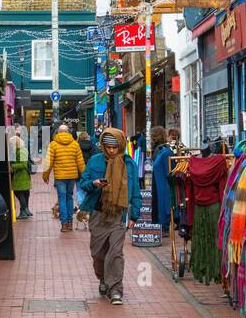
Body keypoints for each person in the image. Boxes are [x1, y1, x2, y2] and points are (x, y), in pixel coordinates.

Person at [79, 127, 142, 305]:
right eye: (108, 147)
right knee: (98, 254)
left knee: (115, 253)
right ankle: (103, 279)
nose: (112, 151)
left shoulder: (129, 164)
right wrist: (94, 183)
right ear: (103, 146)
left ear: (121, 145)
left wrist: (134, 215)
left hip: (118, 214)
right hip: (98, 213)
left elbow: (135, 191)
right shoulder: (95, 161)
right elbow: (83, 183)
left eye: (114, 148)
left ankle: (115, 289)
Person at [42, 124, 86, 233]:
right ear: (68, 132)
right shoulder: (75, 144)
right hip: (72, 176)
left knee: (62, 198)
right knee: (69, 197)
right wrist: (85, 175)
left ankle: (64, 224)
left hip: (60, 176)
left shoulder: (53, 145)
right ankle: (70, 222)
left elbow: (48, 162)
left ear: (58, 132)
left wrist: (45, 175)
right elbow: (80, 162)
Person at [150, 126, 174, 235]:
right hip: (160, 182)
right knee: (160, 203)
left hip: (162, 183)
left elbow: (170, 171)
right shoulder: (161, 150)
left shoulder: (163, 151)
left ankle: (164, 226)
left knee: (162, 203)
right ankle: (162, 226)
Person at [9, 130, 32, 219]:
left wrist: (12, 166)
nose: (11, 146)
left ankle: (24, 211)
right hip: (24, 175)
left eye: (11, 144)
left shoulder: (21, 151)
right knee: (25, 193)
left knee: (19, 192)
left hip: (21, 175)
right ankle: (26, 210)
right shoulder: (22, 149)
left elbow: (23, 164)